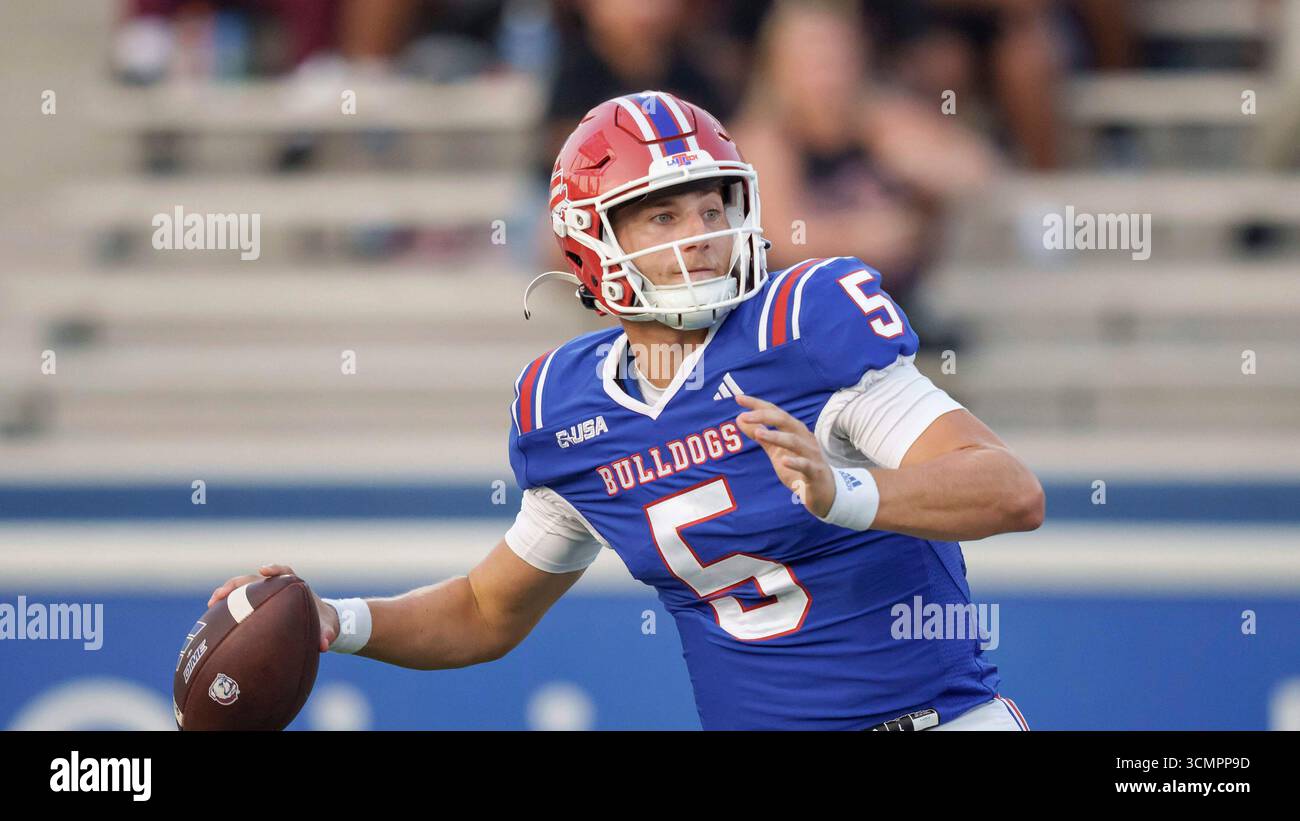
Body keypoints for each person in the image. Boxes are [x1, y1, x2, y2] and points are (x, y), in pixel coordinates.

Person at [210, 91, 1043, 731]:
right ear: (591, 239)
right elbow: (484, 609)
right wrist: (335, 620)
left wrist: (847, 493)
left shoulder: (803, 326)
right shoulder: (566, 410)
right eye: (666, 213)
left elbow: (1008, 490)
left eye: (715, 206)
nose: (704, 231)